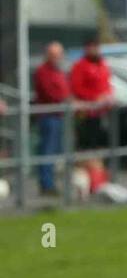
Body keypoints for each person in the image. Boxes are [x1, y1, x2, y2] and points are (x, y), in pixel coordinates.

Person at [70, 39, 112, 193]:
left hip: (100, 114)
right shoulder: (80, 66)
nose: (95, 50)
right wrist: (95, 98)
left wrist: (108, 96)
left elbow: (106, 84)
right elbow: (77, 88)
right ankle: (88, 184)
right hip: (86, 114)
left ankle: (98, 182)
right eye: (92, 47)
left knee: (99, 149)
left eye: (97, 47)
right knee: (85, 151)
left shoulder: (102, 64)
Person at [32, 42, 69, 195]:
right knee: (47, 151)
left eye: (59, 55)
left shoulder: (58, 71)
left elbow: (65, 89)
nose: (57, 58)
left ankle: (50, 183)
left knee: (53, 151)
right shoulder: (43, 71)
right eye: (54, 55)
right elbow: (49, 93)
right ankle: (46, 185)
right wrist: (65, 99)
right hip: (48, 116)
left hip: (58, 116)